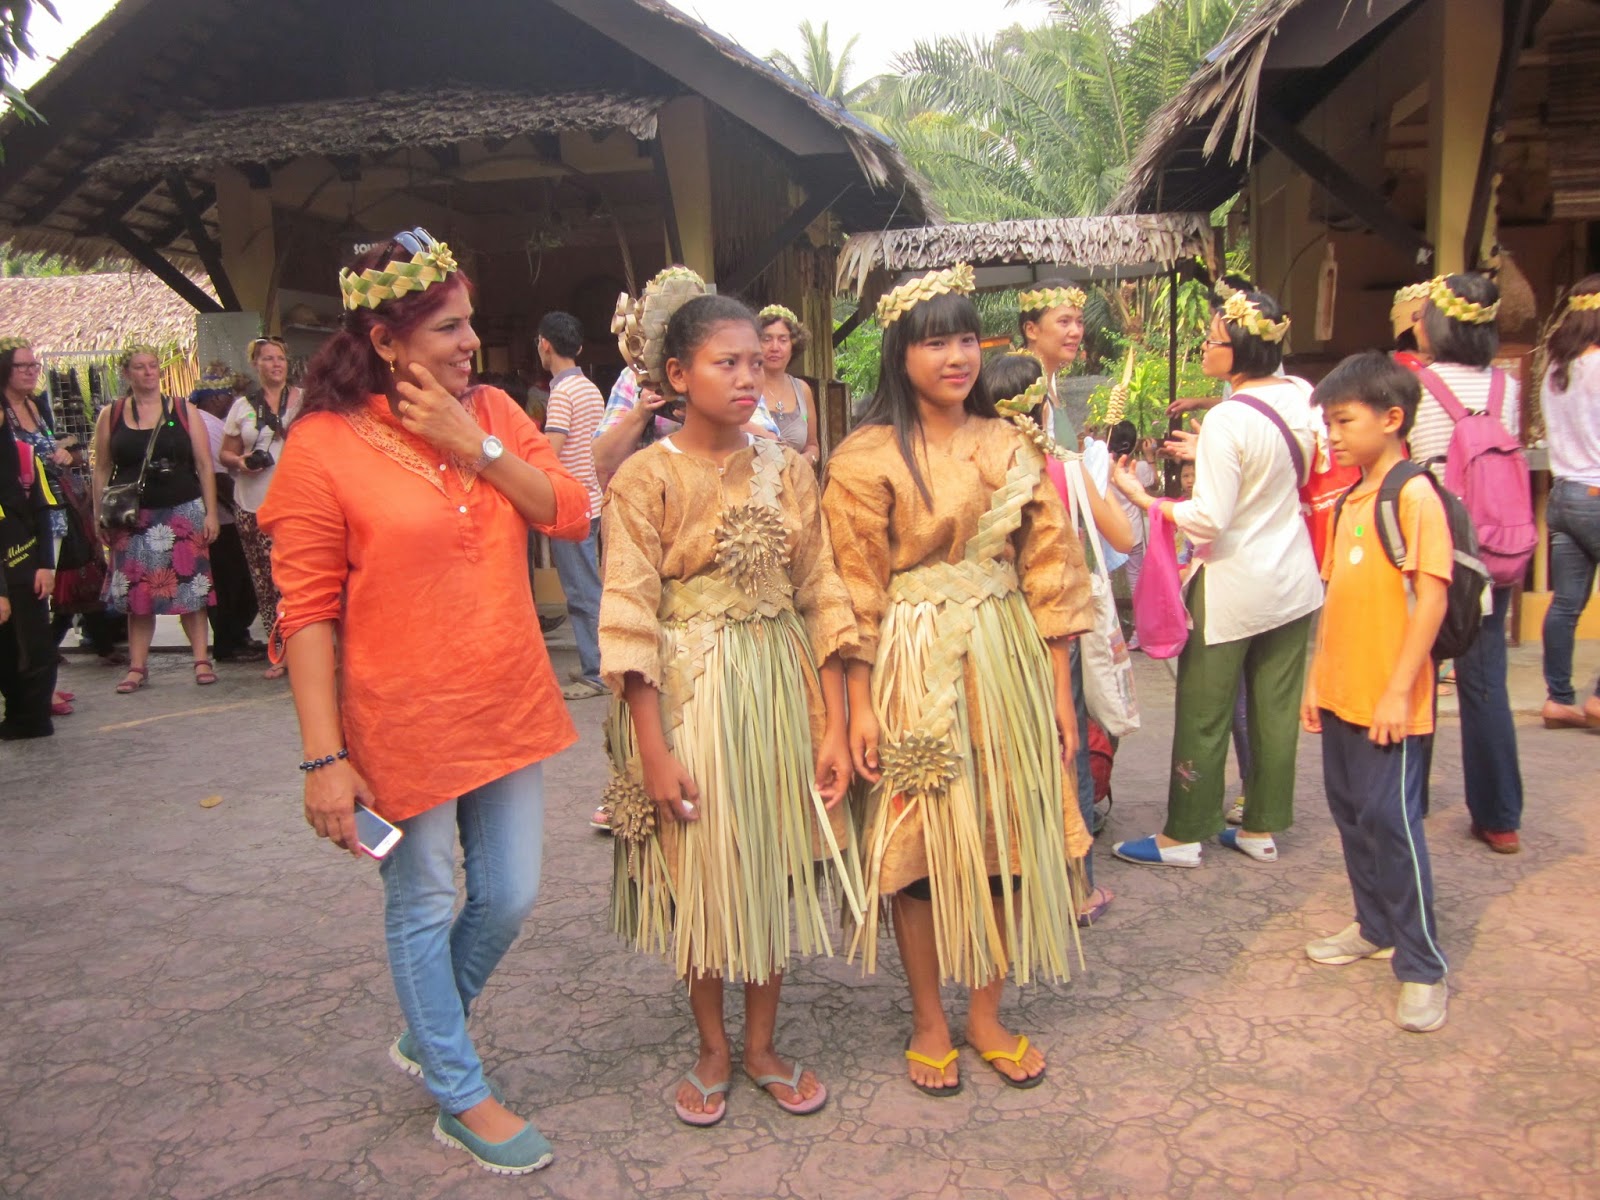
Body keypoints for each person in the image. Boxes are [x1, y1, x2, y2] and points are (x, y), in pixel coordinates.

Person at [258, 229, 590, 1176]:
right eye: (448, 326)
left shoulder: (489, 412)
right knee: (426, 891)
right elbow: (307, 615)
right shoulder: (321, 447)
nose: (470, 342)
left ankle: (426, 1025)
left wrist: (473, 442)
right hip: (399, 721)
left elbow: (568, 509)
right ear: (388, 340)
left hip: (507, 701)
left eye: (471, 323)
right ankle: (457, 1089)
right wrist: (326, 762)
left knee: (514, 892)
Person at [823, 264, 1092, 1095]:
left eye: (967, 338)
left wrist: (1057, 690)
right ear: (899, 353)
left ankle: (984, 1012)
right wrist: (859, 705)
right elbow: (850, 587)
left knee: (1006, 837)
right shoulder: (865, 456)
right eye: (935, 340)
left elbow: (1052, 568)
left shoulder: (1011, 442)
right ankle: (930, 1019)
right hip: (911, 661)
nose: (956, 356)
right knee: (922, 850)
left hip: (1006, 654)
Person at [599, 282, 858, 1126]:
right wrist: (652, 748)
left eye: (757, 360)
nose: (750, 376)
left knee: (773, 862)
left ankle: (761, 1044)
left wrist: (835, 723)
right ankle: (713, 1045)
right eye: (728, 362)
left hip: (778, 685)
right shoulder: (644, 478)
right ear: (678, 373)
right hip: (690, 694)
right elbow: (629, 618)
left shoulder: (791, 468)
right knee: (704, 871)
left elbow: (820, 591)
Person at [1110, 288, 1322, 868]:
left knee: (1205, 707)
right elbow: (1289, 467)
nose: (1204, 347)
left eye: (1212, 340)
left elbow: (1207, 517)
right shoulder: (1304, 397)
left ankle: (1183, 834)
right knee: (1275, 709)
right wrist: (1215, 449)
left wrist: (1142, 497)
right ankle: (1261, 827)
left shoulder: (1231, 417)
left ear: (1242, 349)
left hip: (1233, 583)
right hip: (1294, 577)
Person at [1301, 351, 1452, 1033]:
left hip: (1391, 702)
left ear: (1392, 420)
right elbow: (1334, 598)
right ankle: (1372, 925)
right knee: (1351, 813)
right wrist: (1315, 679)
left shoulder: (1414, 496)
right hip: (1341, 694)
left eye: (1343, 421)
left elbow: (1431, 600)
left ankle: (1422, 966)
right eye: (1328, 422)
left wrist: (1399, 691)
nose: (1332, 435)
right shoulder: (1350, 499)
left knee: (1392, 824)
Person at [982, 351, 1132, 927]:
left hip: (993, 630)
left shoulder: (976, 464)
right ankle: (1079, 889)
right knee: (1064, 748)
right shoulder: (1059, 467)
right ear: (1039, 410)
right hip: (1052, 633)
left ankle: (1011, 876)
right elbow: (1122, 536)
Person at [1408, 273, 1525, 853]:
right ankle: (1500, 816)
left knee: (1419, 672)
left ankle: (1411, 796)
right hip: (1497, 548)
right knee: (1486, 683)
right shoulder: (1507, 388)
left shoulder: (1422, 386)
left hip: (1439, 546)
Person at [91, 347, 220, 693]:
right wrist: (98, 514)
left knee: (191, 589)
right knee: (138, 593)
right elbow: (102, 466)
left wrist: (210, 512)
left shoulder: (183, 409)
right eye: (139, 367)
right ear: (127, 373)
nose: (148, 373)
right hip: (133, 515)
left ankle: (200, 658)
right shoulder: (113, 414)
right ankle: (137, 665)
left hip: (182, 508)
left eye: (152, 367)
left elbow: (204, 464)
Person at [1536, 278, 1600, 730]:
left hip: (1563, 496)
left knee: (1565, 604)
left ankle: (1559, 698)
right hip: (1597, 494)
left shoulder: (1555, 370)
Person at [534, 312, 607, 701]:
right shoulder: (589, 388)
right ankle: (600, 664)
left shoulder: (561, 394)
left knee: (581, 591)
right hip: (591, 500)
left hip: (572, 505)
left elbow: (551, 454)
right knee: (589, 585)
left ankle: (598, 670)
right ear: (577, 347)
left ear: (545, 344)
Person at [220, 337, 303, 680]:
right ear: (256, 364)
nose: (275, 364)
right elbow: (225, 453)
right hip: (252, 503)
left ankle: (305, 648)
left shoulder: (305, 401)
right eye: (268, 358)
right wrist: (240, 461)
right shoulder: (243, 406)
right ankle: (279, 650)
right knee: (265, 582)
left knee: (296, 580)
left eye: (280, 358)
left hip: (296, 505)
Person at [2, 339, 75, 716]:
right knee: (24, 606)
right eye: (22, 366)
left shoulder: (36, 404)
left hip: (49, 512)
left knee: (42, 602)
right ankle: (29, 690)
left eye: (35, 364)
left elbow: (46, 449)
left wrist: (62, 452)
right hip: (14, 522)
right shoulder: (3, 411)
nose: (32, 371)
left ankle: (42, 685)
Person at [592, 365, 780, 488]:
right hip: (655, 499)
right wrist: (641, 412)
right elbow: (601, 459)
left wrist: (714, 411)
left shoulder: (733, 375)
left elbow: (771, 445)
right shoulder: (635, 377)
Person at [0, 357, 59, 740]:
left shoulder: (24, 455)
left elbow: (43, 509)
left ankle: (33, 717)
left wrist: (47, 566)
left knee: (34, 646)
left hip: (26, 567)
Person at [188, 366, 262, 667]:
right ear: (217, 398)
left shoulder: (208, 421)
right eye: (230, 396)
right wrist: (238, 506)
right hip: (223, 514)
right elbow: (217, 475)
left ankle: (235, 636)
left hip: (222, 512)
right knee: (232, 580)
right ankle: (228, 642)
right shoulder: (209, 425)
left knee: (235, 580)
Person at [1018, 284, 1086, 448]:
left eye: (1079, 322)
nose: (1076, 331)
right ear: (1031, 330)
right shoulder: (1023, 388)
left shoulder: (1048, 383)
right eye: (1064, 321)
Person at [757, 303, 821, 466]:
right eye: (767, 339)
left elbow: (812, 445)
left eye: (783, 340)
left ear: (794, 345)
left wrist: (802, 461)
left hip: (795, 486)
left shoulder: (803, 390)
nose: (775, 347)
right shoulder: (744, 386)